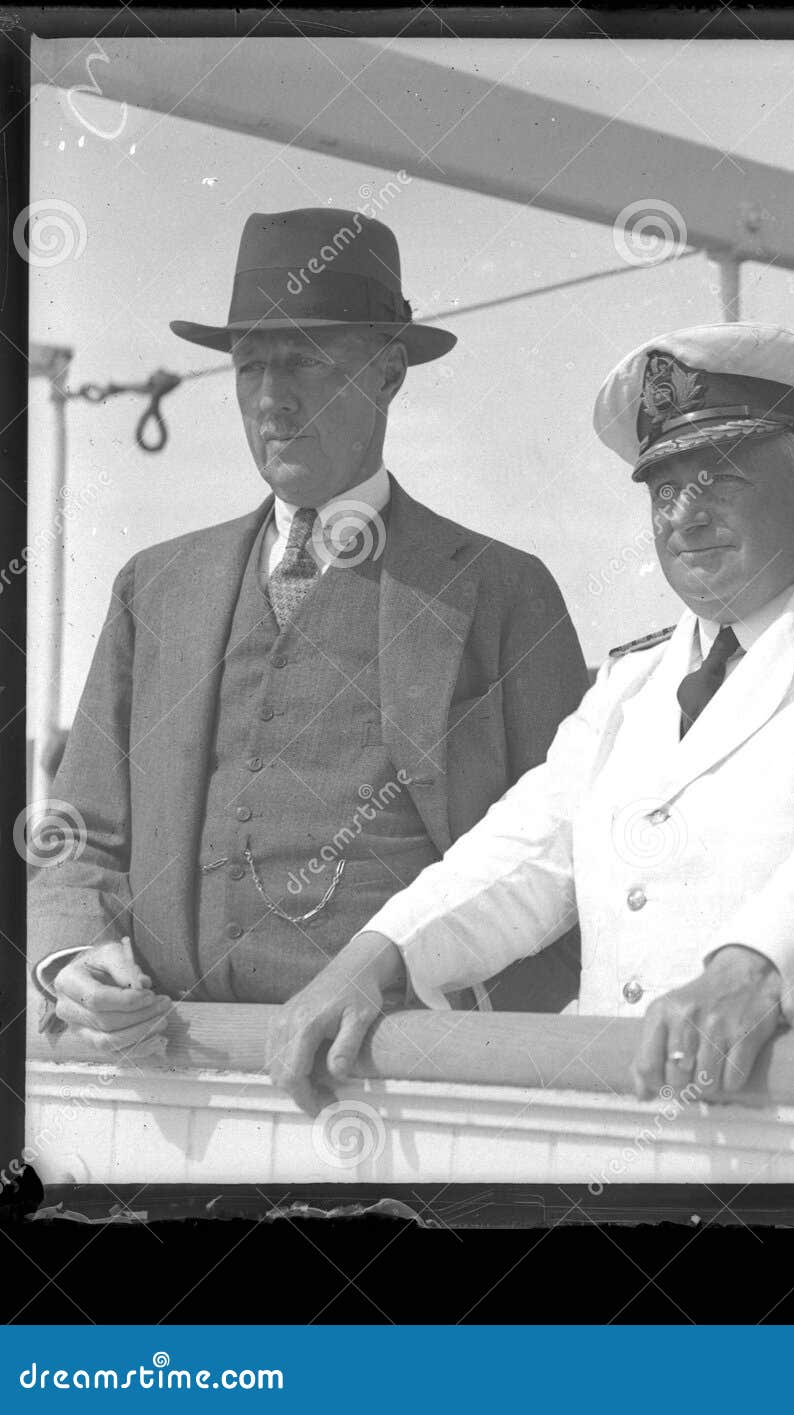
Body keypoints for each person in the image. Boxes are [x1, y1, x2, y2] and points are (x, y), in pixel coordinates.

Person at [266, 323, 794, 1115]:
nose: (684, 515)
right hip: (614, 1118)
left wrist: (751, 966)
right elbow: (529, 847)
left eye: (722, 477)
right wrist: (378, 953)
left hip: (792, 1129)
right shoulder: (632, 680)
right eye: (665, 488)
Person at [27, 208, 589, 1056]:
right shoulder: (157, 587)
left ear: (390, 372)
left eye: (303, 362)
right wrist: (71, 953)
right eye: (250, 365)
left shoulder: (503, 592)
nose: (269, 397)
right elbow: (82, 831)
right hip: (175, 1062)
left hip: (403, 1080)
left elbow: (566, 853)